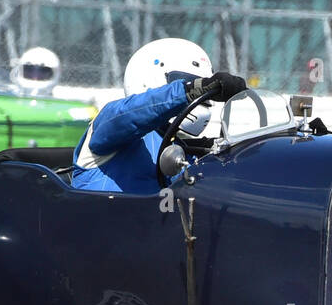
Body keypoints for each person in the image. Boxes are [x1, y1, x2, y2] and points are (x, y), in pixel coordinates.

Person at [71, 38, 246, 193]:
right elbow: (132, 114)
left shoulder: (182, 150)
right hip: (101, 226)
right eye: (186, 82)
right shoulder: (109, 122)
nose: (200, 98)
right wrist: (191, 89)